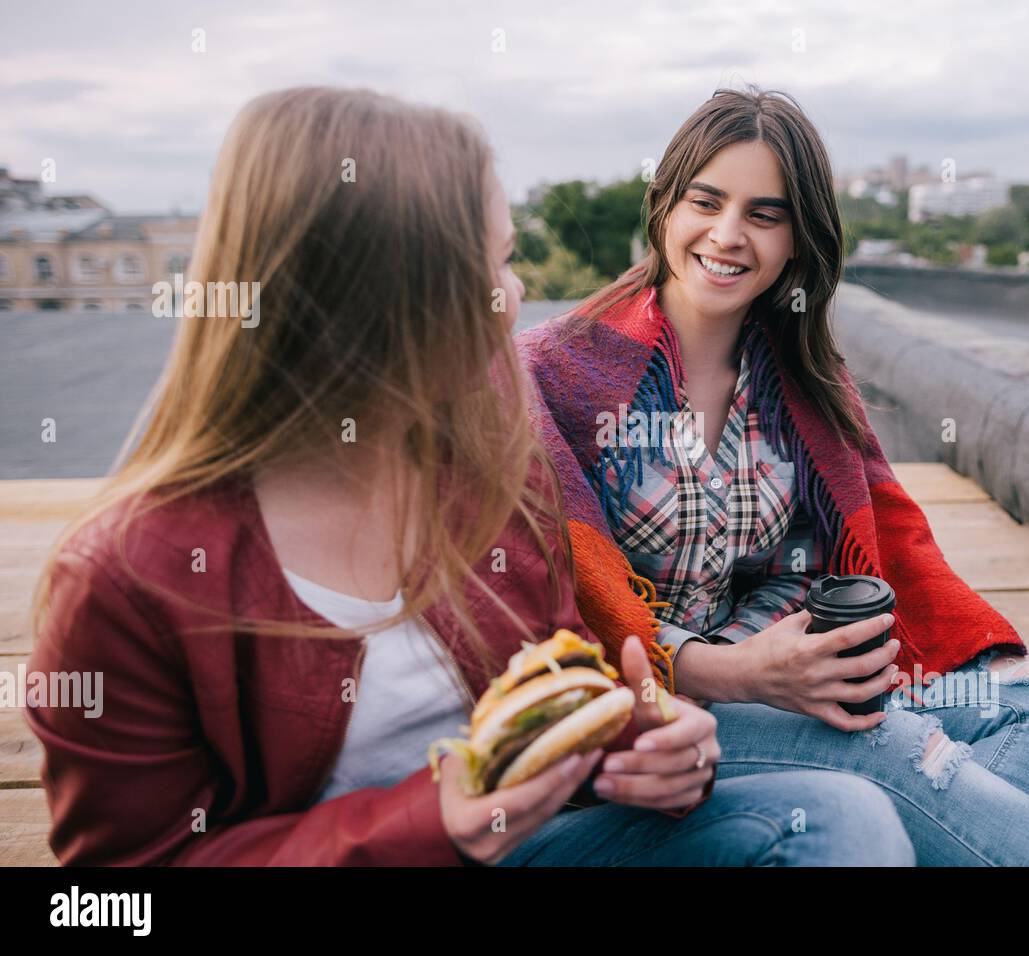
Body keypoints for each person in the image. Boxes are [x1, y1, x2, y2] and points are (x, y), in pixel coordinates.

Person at [24, 86, 915, 867]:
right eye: (495, 263)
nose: (519, 294)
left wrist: (641, 751)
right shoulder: (127, 579)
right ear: (388, 293)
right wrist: (430, 825)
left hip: (540, 846)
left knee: (848, 820)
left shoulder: (488, 472)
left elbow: (567, 693)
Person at [518, 86, 1029, 866]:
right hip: (657, 704)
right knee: (894, 749)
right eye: (706, 201)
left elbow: (843, 555)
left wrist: (804, 664)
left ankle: (916, 826)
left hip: (782, 672)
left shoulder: (800, 373)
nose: (728, 235)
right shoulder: (558, 374)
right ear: (663, 207)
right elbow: (559, 602)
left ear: (799, 237)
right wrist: (738, 672)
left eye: (765, 213)